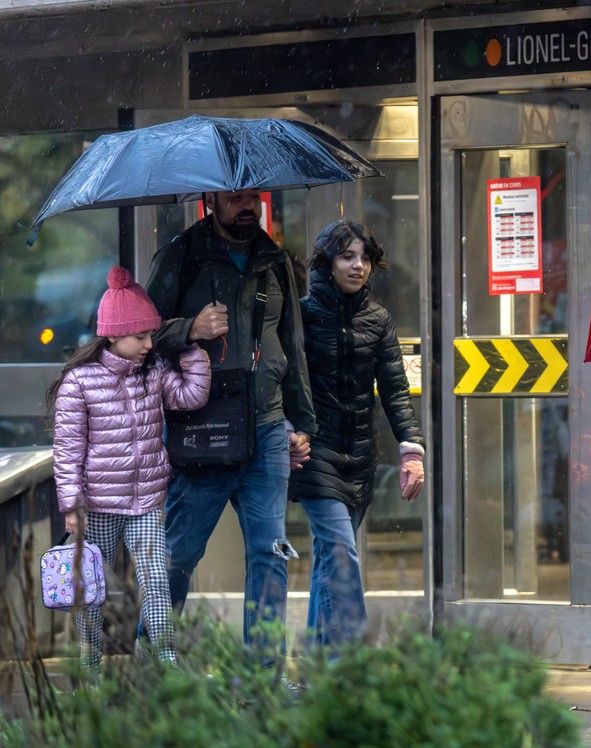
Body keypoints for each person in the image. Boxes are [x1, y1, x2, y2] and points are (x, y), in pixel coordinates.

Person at [145, 188, 316, 648]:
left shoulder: (273, 259)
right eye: (234, 198)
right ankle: (149, 659)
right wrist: (189, 329)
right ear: (210, 201)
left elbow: (292, 346)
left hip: (266, 428)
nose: (247, 206)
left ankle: (262, 679)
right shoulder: (180, 255)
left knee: (270, 553)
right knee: (180, 552)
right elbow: (140, 337)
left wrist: (303, 425)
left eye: (252, 198)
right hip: (203, 429)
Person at [49, 266, 210, 669]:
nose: (148, 344)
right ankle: (90, 659)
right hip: (98, 506)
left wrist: (194, 351)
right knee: (91, 587)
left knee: (156, 579)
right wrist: (71, 504)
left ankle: (164, 655)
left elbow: (189, 396)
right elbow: (67, 449)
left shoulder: (152, 374)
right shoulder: (80, 382)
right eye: (141, 336)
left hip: (146, 502)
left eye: (151, 335)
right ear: (114, 334)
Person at [289, 220, 424, 649]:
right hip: (316, 454)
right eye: (348, 256)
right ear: (327, 263)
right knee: (343, 554)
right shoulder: (302, 316)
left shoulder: (378, 319)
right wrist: (293, 429)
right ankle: (353, 666)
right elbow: (286, 380)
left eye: (364, 257)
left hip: (360, 456)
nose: (358, 266)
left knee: (331, 560)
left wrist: (411, 451)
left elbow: (395, 389)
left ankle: (317, 662)